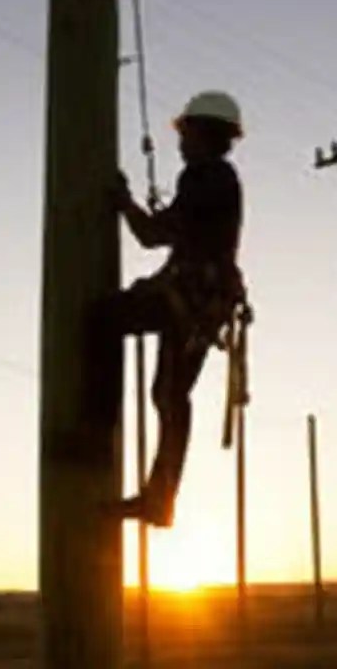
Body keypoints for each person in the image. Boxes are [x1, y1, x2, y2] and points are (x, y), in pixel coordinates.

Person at [106, 90, 246, 527]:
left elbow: (153, 234)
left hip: (193, 296)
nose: (181, 142)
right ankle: (159, 499)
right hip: (203, 300)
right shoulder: (216, 178)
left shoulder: (207, 176)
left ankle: (93, 439)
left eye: (187, 133)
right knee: (169, 394)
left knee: (102, 320)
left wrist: (124, 202)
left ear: (204, 134)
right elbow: (162, 233)